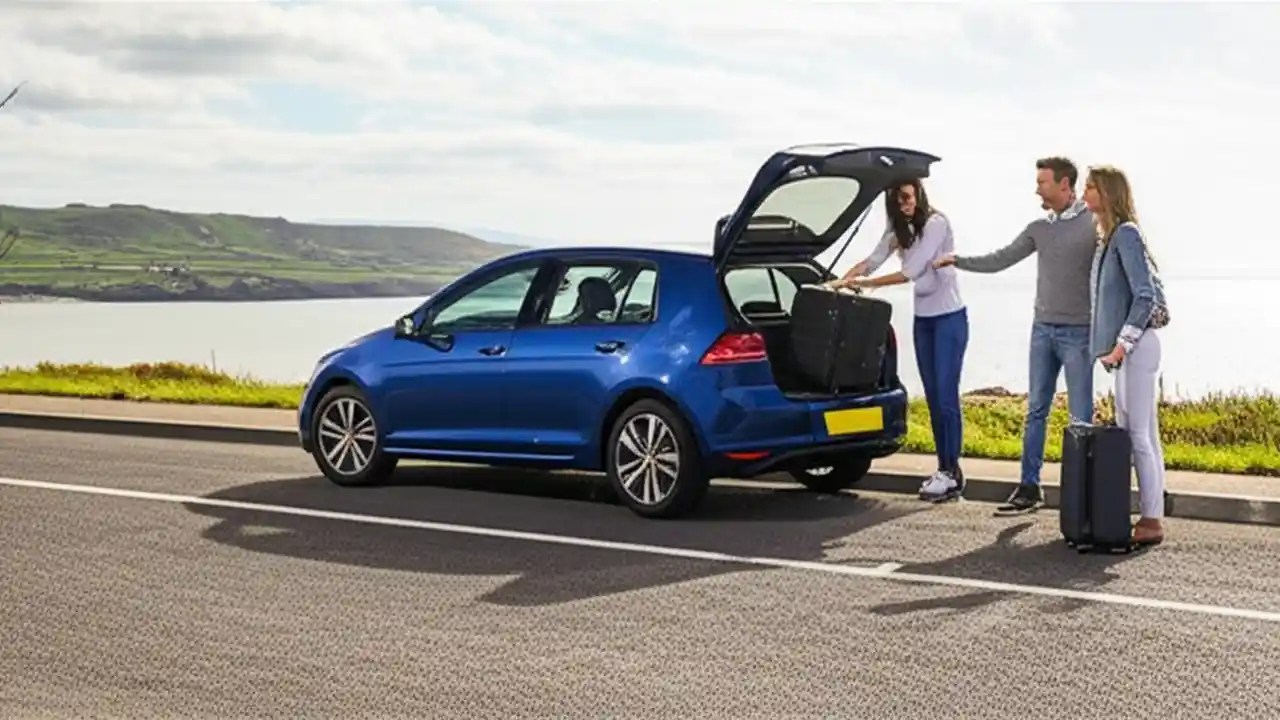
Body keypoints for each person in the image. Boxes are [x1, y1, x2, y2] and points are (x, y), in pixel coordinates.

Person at [933, 157, 1097, 515]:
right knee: (1036, 409)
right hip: (1042, 330)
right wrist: (957, 260)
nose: (1037, 188)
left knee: (1081, 416)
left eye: (1043, 182)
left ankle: (1084, 493)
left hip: (1080, 333)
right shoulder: (1039, 227)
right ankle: (1029, 487)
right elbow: (1001, 259)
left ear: (1065, 185)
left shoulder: (1093, 224)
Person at [830, 178, 969, 503]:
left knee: (946, 396)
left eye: (908, 196)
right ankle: (947, 470)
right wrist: (844, 279)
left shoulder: (936, 223)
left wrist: (866, 284)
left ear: (919, 194)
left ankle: (949, 472)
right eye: (898, 200)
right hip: (924, 322)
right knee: (934, 397)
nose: (905, 203)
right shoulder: (897, 228)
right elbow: (873, 259)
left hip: (949, 319)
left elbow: (911, 271)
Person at [1083, 164, 1168, 546]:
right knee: (1141, 432)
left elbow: (1144, 295)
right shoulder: (1109, 238)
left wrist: (1122, 344)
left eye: (1090, 187)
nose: (1085, 194)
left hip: (1137, 346)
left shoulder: (1126, 235)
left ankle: (1151, 520)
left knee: (1139, 435)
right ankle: (1152, 513)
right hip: (1127, 349)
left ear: (1108, 193)